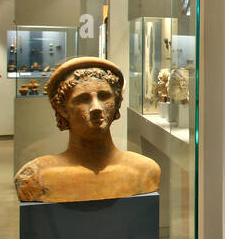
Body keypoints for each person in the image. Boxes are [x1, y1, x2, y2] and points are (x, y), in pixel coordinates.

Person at [14, 56, 159, 203]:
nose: (96, 107)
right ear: (62, 109)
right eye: (83, 99)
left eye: (104, 96)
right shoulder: (38, 177)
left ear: (116, 102)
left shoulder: (145, 171)